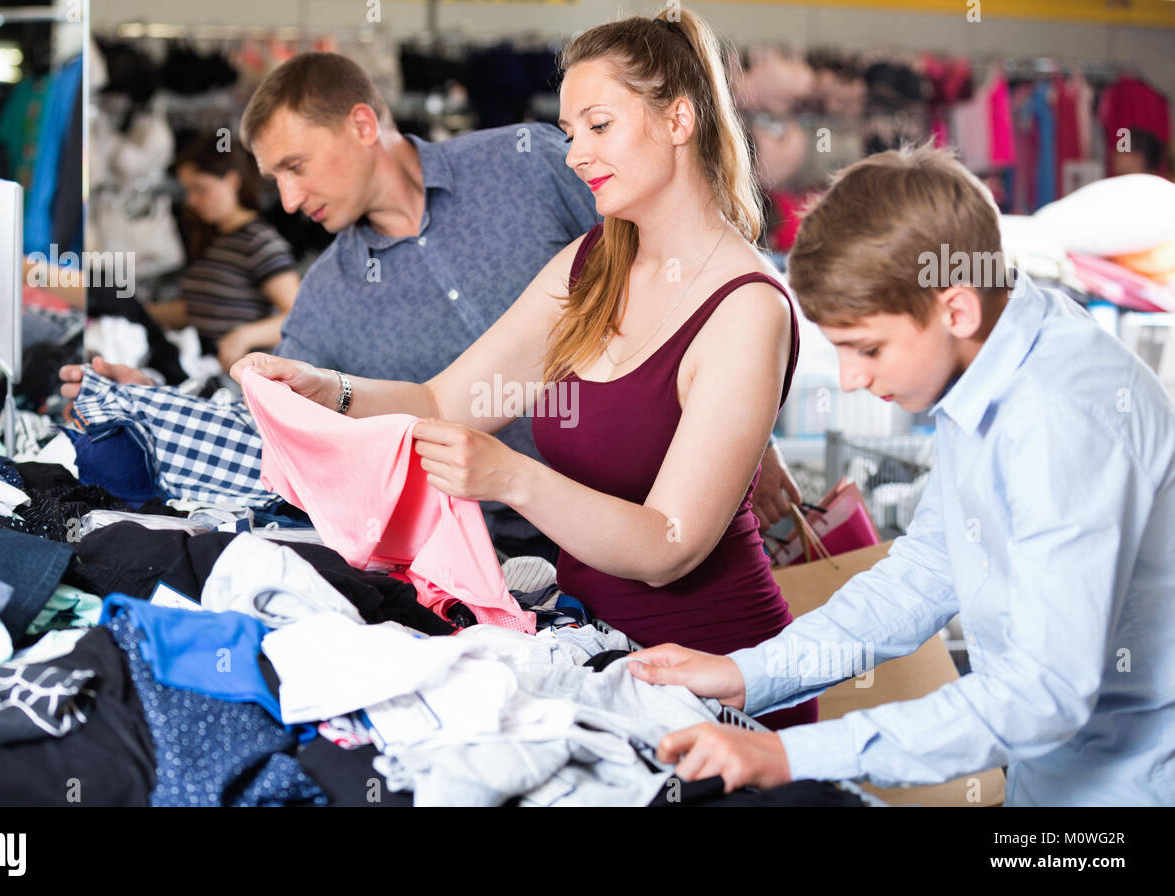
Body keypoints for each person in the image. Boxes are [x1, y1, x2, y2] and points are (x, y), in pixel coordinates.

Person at [232, 9, 817, 729]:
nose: (574, 155)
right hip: (597, 657)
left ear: (678, 121)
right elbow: (444, 401)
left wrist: (510, 476)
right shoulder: (591, 264)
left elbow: (669, 546)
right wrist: (336, 390)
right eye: (571, 134)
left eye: (598, 127)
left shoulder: (746, 306)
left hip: (721, 680)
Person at [62, 50, 803, 554]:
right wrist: (159, 406)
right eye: (273, 179)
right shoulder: (327, 297)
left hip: (660, 508)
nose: (288, 199)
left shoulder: (531, 163)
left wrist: (748, 436)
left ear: (361, 125)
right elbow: (290, 423)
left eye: (296, 166)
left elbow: (679, 276)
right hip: (511, 554)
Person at [627, 145, 1175, 806]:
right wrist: (748, 675)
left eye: (869, 349)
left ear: (957, 310)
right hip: (1060, 776)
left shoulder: (1059, 419)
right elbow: (925, 574)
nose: (853, 378)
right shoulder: (990, 358)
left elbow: (1043, 693)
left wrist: (791, 753)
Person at [142, 138, 300, 372]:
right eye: (188, 191)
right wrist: (138, 311)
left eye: (200, 189)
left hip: (237, 378)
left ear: (232, 181)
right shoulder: (212, 240)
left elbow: (297, 317)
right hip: (200, 365)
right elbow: (196, 310)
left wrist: (243, 337)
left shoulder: (260, 242)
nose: (191, 200)